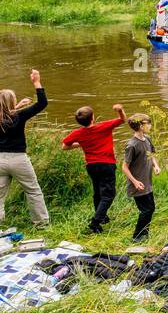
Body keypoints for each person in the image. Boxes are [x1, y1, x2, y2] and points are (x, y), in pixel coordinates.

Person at [0, 69, 50, 226]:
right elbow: (42, 103)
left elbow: (6, 114)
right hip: (18, 159)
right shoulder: (19, 116)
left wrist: (18, 105)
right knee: (33, 191)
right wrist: (36, 82)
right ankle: (41, 223)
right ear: (12, 102)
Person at [61, 103, 126, 234]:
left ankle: (102, 217)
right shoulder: (103, 126)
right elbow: (122, 120)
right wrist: (120, 110)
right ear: (93, 118)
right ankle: (95, 222)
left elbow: (64, 146)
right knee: (108, 195)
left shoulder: (78, 133)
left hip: (91, 166)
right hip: (106, 165)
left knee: (98, 192)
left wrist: (80, 143)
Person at [122, 113, 159, 241]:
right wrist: (135, 182)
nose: (150, 125)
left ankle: (144, 234)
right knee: (146, 210)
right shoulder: (132, 145)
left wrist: (156, 166)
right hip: (138, 184)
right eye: (147, 123)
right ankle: (137, 236)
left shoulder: (147, 139)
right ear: (141, 126)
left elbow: (151, 155)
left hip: (147, 182)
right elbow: (124, 167)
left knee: (150, 208)